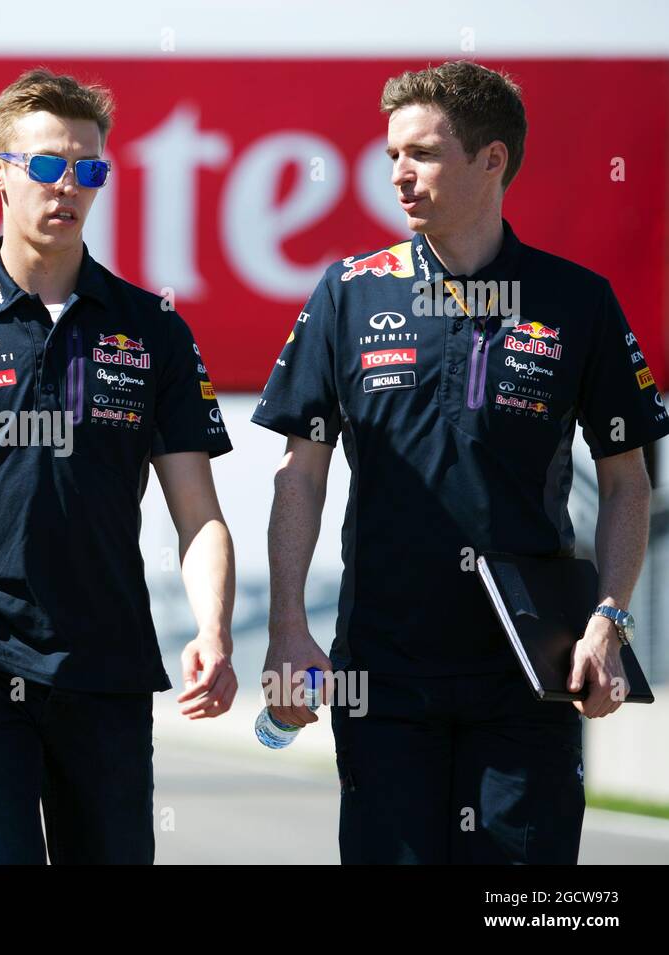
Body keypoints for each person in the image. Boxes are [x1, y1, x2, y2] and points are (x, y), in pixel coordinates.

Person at [251, 60, 669, 864]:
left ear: (492, 160)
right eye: (392, 157)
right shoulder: (347, 293)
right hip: (383, 667)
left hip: (528, 672)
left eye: (423, 154)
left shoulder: (577, 300)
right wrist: (287, 626)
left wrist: (608, 624)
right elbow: (300, 473)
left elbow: (626, 481)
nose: (400, 177)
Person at [0, 69, 236, 864]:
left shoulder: (152, 327)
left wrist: (215, 629)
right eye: (47, 166)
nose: (69, 187)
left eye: (89, 170)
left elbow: (199, 516)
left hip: (109, 663)